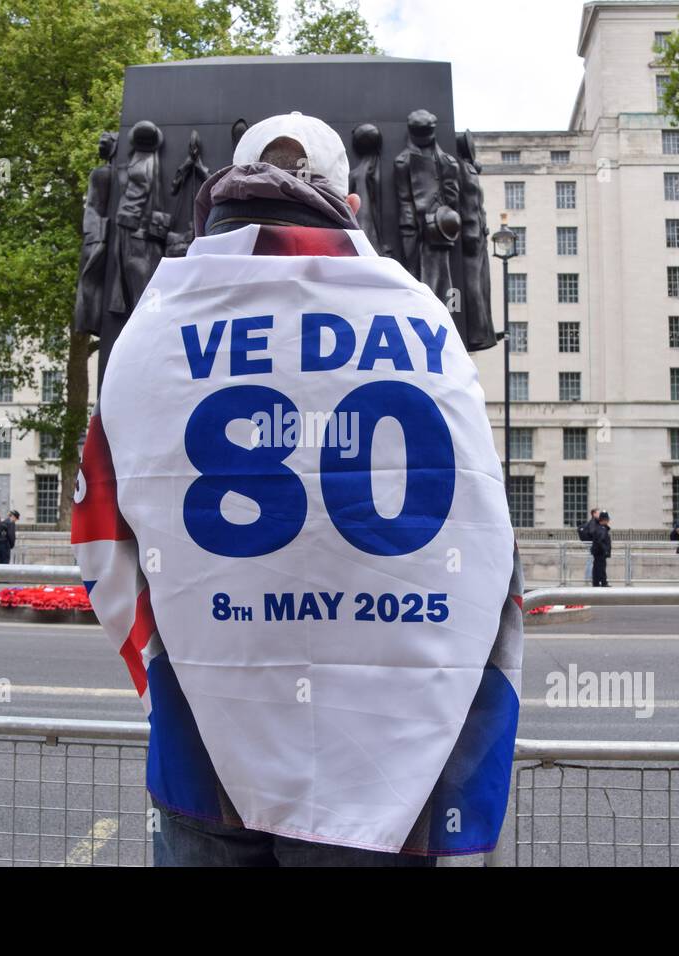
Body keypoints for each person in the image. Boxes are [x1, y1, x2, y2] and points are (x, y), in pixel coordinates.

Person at [72, 113, 522, 867]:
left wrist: (175, 690)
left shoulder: (149, 328)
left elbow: (98, 542)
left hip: (203, 760)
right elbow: (487, 548)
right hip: (387, 773)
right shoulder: (422, 317)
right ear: (350, 205)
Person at [577, 505, 600, 584]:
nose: (599, 515)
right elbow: (592, 532)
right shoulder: (594, 522)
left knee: (590, 561)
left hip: (591, 544)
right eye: (598, 513)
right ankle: (588, 579)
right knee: (590, 561)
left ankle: (589, 578)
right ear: (594, 514)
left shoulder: (593, 522)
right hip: (592, 544)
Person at [591, 511, 612, 587]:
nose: (608, 521)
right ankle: (603, 582)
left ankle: (596, 582)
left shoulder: (598, 528)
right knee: (601, 567)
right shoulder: (602, 529)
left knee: (596, 567)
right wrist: (605, 550)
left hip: (597, 552)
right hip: (600, 552)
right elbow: (601, 541)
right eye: (607, 519)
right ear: (604, 520)